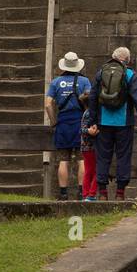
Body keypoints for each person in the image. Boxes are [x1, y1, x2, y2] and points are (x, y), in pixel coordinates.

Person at [86, 46, 137, 201]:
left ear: (113, 57)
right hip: (124, 123)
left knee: (103, 157)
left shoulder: (101, 73)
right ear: (127, 60)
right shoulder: (130, 74)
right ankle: (120, 193)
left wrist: (92, 122)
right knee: (123, 156)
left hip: (103, 122)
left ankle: (102, 192)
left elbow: (93, 98)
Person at [44, 50, 91, 199]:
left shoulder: (56, 82)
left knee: (63, 159)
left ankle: (63, 194)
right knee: (81, 159)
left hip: (63, 121)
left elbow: (48, 104)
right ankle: (81, 192)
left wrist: (53, 121)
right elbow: (90, 101)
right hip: (80, 121)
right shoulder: (84, 81)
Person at [79, 92, 98, 201]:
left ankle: (86, 194)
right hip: (91, 147)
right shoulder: (90, 113)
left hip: (85, 147)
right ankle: (91, 194)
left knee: (88, 171)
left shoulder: (85, 112)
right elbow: (83, 129)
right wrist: (90, 131)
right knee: (97, 171)